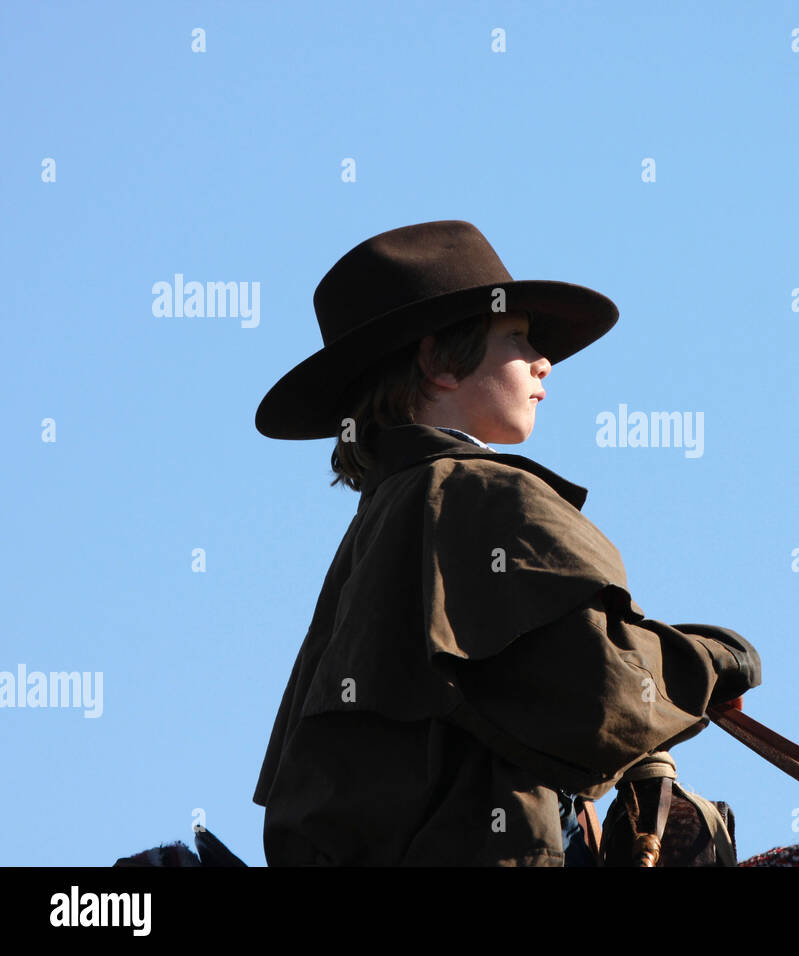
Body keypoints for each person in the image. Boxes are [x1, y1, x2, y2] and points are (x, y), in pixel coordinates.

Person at [250, 220, 761, 865]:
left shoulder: (386, 516)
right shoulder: (477, 493)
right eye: (516, 337)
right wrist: (718, 662)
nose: (543, 360)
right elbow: (598, 695)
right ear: (437, 361)